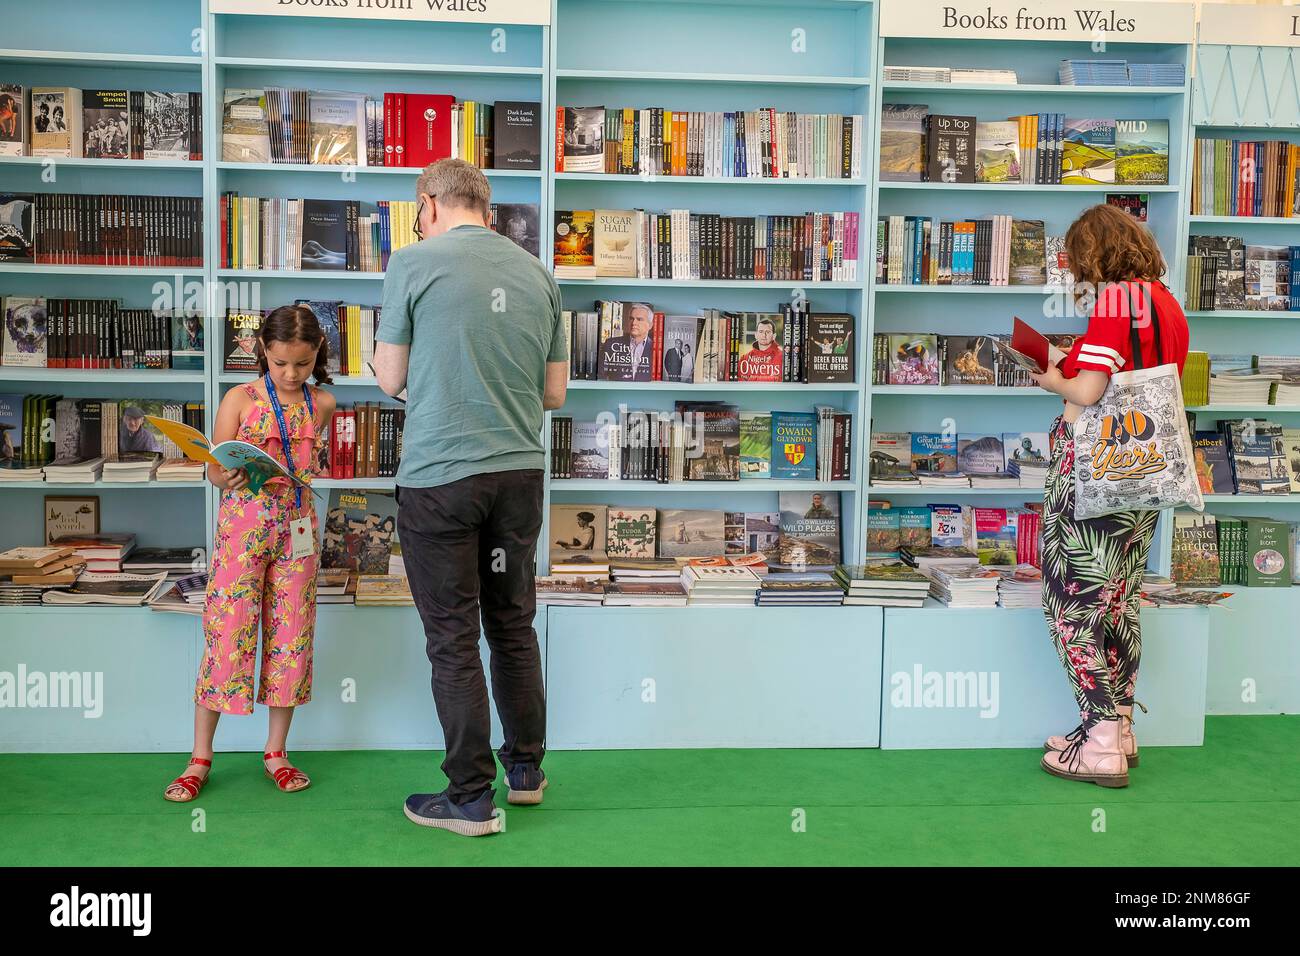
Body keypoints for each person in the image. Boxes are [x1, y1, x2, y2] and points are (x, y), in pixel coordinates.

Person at [373, 158, 567, 838]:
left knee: (452, 640)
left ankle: (469, 800)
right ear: (484, 207)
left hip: (440, 480)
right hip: (519, 477)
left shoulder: (413, 263)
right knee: (512, 627)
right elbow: (553, 395)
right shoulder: (540, 274)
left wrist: (403, 367)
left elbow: (390, 379)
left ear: (429, 203)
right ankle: (527, 774)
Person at [1031, 204, 1189, 789]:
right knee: (1118, 596)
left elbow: (1091, 389)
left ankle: (1097, 741)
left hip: (1096, 467)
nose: (1072, 269)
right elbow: (1137, 372)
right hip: (1144, 469)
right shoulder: (1164, 302)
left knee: (1072, 600)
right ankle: (1118, 726)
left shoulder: (1115, 301)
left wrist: (1052, 378)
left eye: (1073, 256)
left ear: (1092, 253)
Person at [163, 305, 337, 803]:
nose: (290, 373)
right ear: (263, 349)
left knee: (291, 639)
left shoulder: (321, 404)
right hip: (242, 531)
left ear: (315, 357)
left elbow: (312, 462)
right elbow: (215, 469)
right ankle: (200, 759)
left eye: (301, 364)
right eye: (281, 362)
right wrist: (226, 473)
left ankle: (276, 753)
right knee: (227, 634)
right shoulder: (238, 398)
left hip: (297, 533)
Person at [596, 301, 653, 381]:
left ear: (650, 325)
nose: (634, 323)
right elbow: (600, 376)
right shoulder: (611, 344)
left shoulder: (655, 348)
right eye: (631, 318)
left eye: (639, 319)